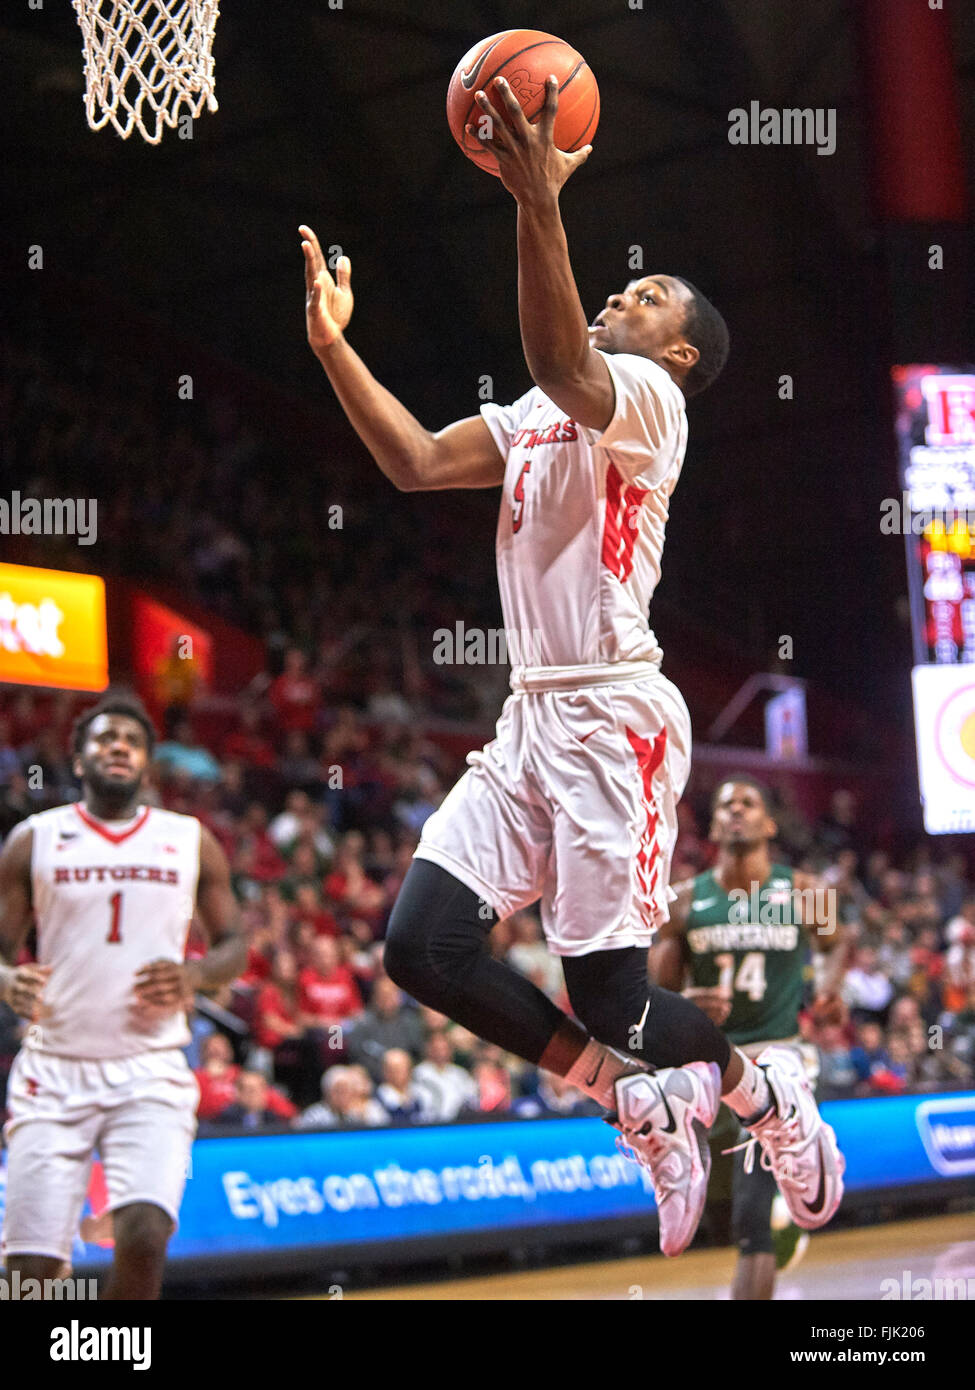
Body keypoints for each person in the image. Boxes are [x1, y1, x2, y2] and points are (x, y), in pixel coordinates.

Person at [299, 76, 842, 1256]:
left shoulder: (646, 399)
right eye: (623, 285)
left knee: (612, 990)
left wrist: (534, 199)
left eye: (645, 296)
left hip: (612, 715)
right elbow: (408, 461)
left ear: (680, 348)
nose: (619, 296)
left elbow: (556, 354)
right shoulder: (544, 410)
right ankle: (624, 1093)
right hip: (531, 717)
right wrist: (332, 348)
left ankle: (766, 1100)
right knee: (420, 945)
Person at [0, 690, 246, 1299]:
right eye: (104, 739)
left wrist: (193, 976)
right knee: (27, 1276)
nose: (119, 748)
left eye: (132, 742)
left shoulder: (189, 839)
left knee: (143, 1235)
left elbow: (235, 946)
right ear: (78, 760)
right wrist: (5, 979)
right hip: (52, 1071)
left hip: (151, 1068)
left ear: (146, 763)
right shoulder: (34, 840)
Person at [650, 777, 846, 1298]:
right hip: (713, 1068)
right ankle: (773, 1224)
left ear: (769, 823)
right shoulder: (685, 900)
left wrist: (827, 989)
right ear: (713, 825)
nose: (736, 810)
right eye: (726, 804)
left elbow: (835, 942)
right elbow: (653, 996)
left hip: (782, 1059)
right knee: (725, 1214)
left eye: (748, 803)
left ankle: (766, 1228)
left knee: (751, 1215)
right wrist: (682, 1004)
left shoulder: (806, 890)